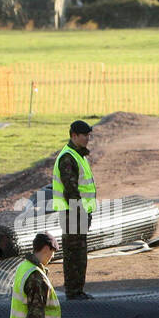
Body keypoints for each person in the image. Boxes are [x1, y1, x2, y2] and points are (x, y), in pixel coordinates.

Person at [52, 119, 96, 301]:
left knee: (79, 254)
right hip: (73, 213)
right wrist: (80, 213)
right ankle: (73, 292)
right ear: (74, 135)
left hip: (78, 213)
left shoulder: (78, 155)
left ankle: (77, 291)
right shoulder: (68, 158)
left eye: (88, 135)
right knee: (74, 255)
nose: (87, 138)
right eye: (84, 135)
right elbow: (71, 190)